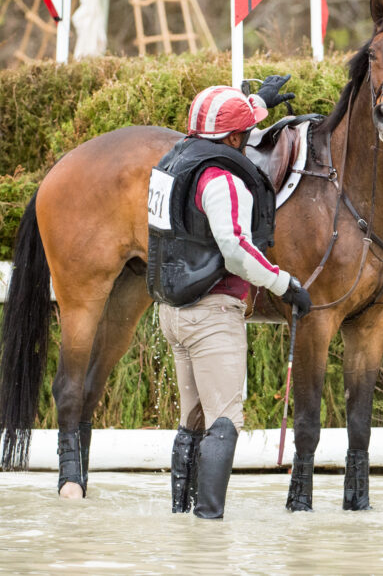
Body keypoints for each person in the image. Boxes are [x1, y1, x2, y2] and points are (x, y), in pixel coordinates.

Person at [146, 76, 311, 520]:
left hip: (173, 313)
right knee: (224, 423)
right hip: (213, 314)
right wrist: (285, 285)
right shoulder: (223, 180)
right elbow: (236, 251)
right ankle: (208, 530)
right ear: (235, 138)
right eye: (245, 132)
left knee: (192, 422)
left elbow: (222, 130)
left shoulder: (178, 161)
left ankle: (182, 521)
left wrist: (255, 103)